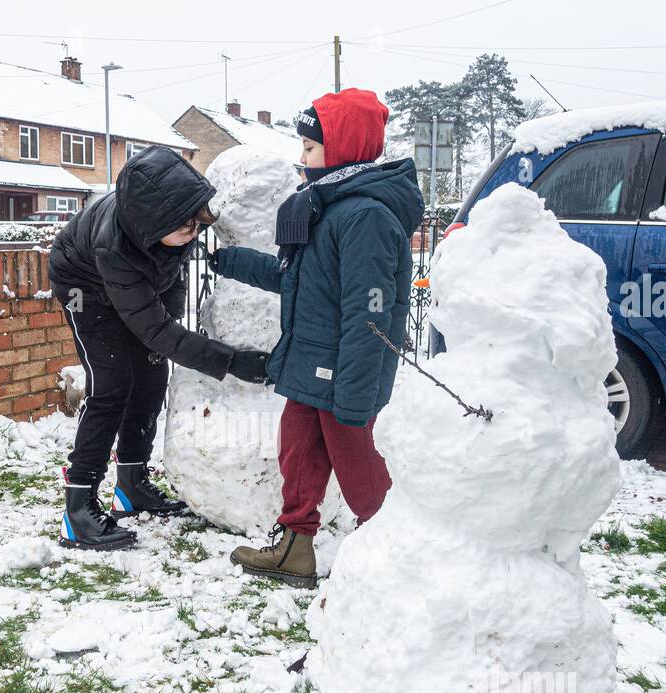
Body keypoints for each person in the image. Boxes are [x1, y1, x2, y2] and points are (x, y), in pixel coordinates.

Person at [210, 88, 424, 586]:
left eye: (309, 148)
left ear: (343, 147)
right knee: (298, 456)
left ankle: (401, 558)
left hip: (343, 371)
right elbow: (300, 282)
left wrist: (354, 391)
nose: (301, 157)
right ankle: (294, 548)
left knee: (361, 472)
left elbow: (368, 312)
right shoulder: (328, 207)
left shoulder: (365, 215)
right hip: (312, 361)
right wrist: (232, 262)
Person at [49, 146, 271, 551]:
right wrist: (232, 362)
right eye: (186, 228)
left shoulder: (173, 225)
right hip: (84, 288)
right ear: (152, 225)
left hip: (132, 284)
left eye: (196, 226)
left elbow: (171, 281)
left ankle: (132, 486)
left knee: (151, 376)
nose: (194, 234)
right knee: (111, 385)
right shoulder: (113, 246)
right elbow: (157, 331)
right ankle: (78, 510)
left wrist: (167, 324)